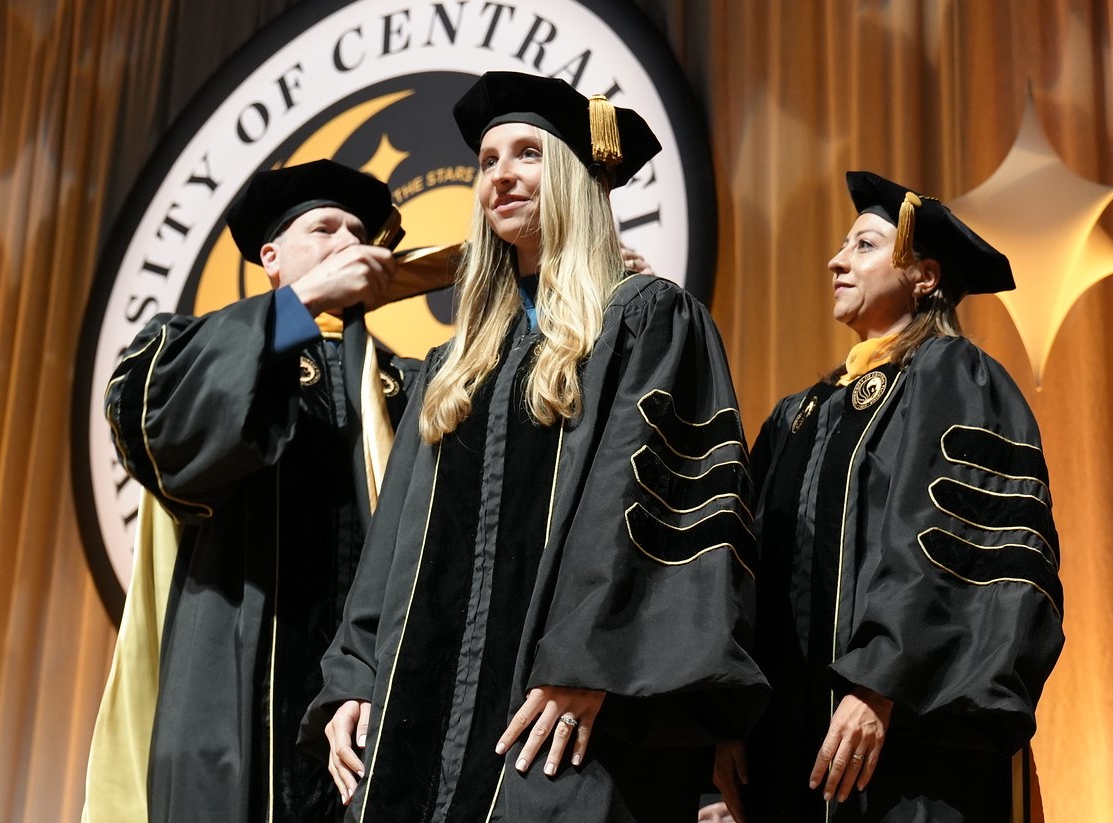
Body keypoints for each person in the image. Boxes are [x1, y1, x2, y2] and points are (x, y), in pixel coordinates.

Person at [298, 70, 770, 823]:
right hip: (418, 730)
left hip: (569, 717)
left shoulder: (645, 321)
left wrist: (593, 657)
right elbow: (394, 543)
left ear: (579, 180)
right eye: (487, 161)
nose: (500, 176)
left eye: (527, 153)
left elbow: (652, 507)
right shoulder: (458, 364)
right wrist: (354, 672)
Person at [91, 159, 423, 823]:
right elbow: (153, 416)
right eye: (324, 227)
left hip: (374, 704)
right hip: (237, 699)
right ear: (271, 257)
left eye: (359, 231)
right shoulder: (198, 348)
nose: (347, 241)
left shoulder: (409, 385)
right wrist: (301, 307)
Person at [742, 171, 1065, 822]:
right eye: (842, 246)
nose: (837, 260)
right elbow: (745, 572)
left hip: (910, 744)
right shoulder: (799, 415)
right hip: (792, 749)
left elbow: (957, 548)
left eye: (863, 245)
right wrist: (728, 723)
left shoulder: (956, 375)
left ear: (924, 276)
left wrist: (880, 681)